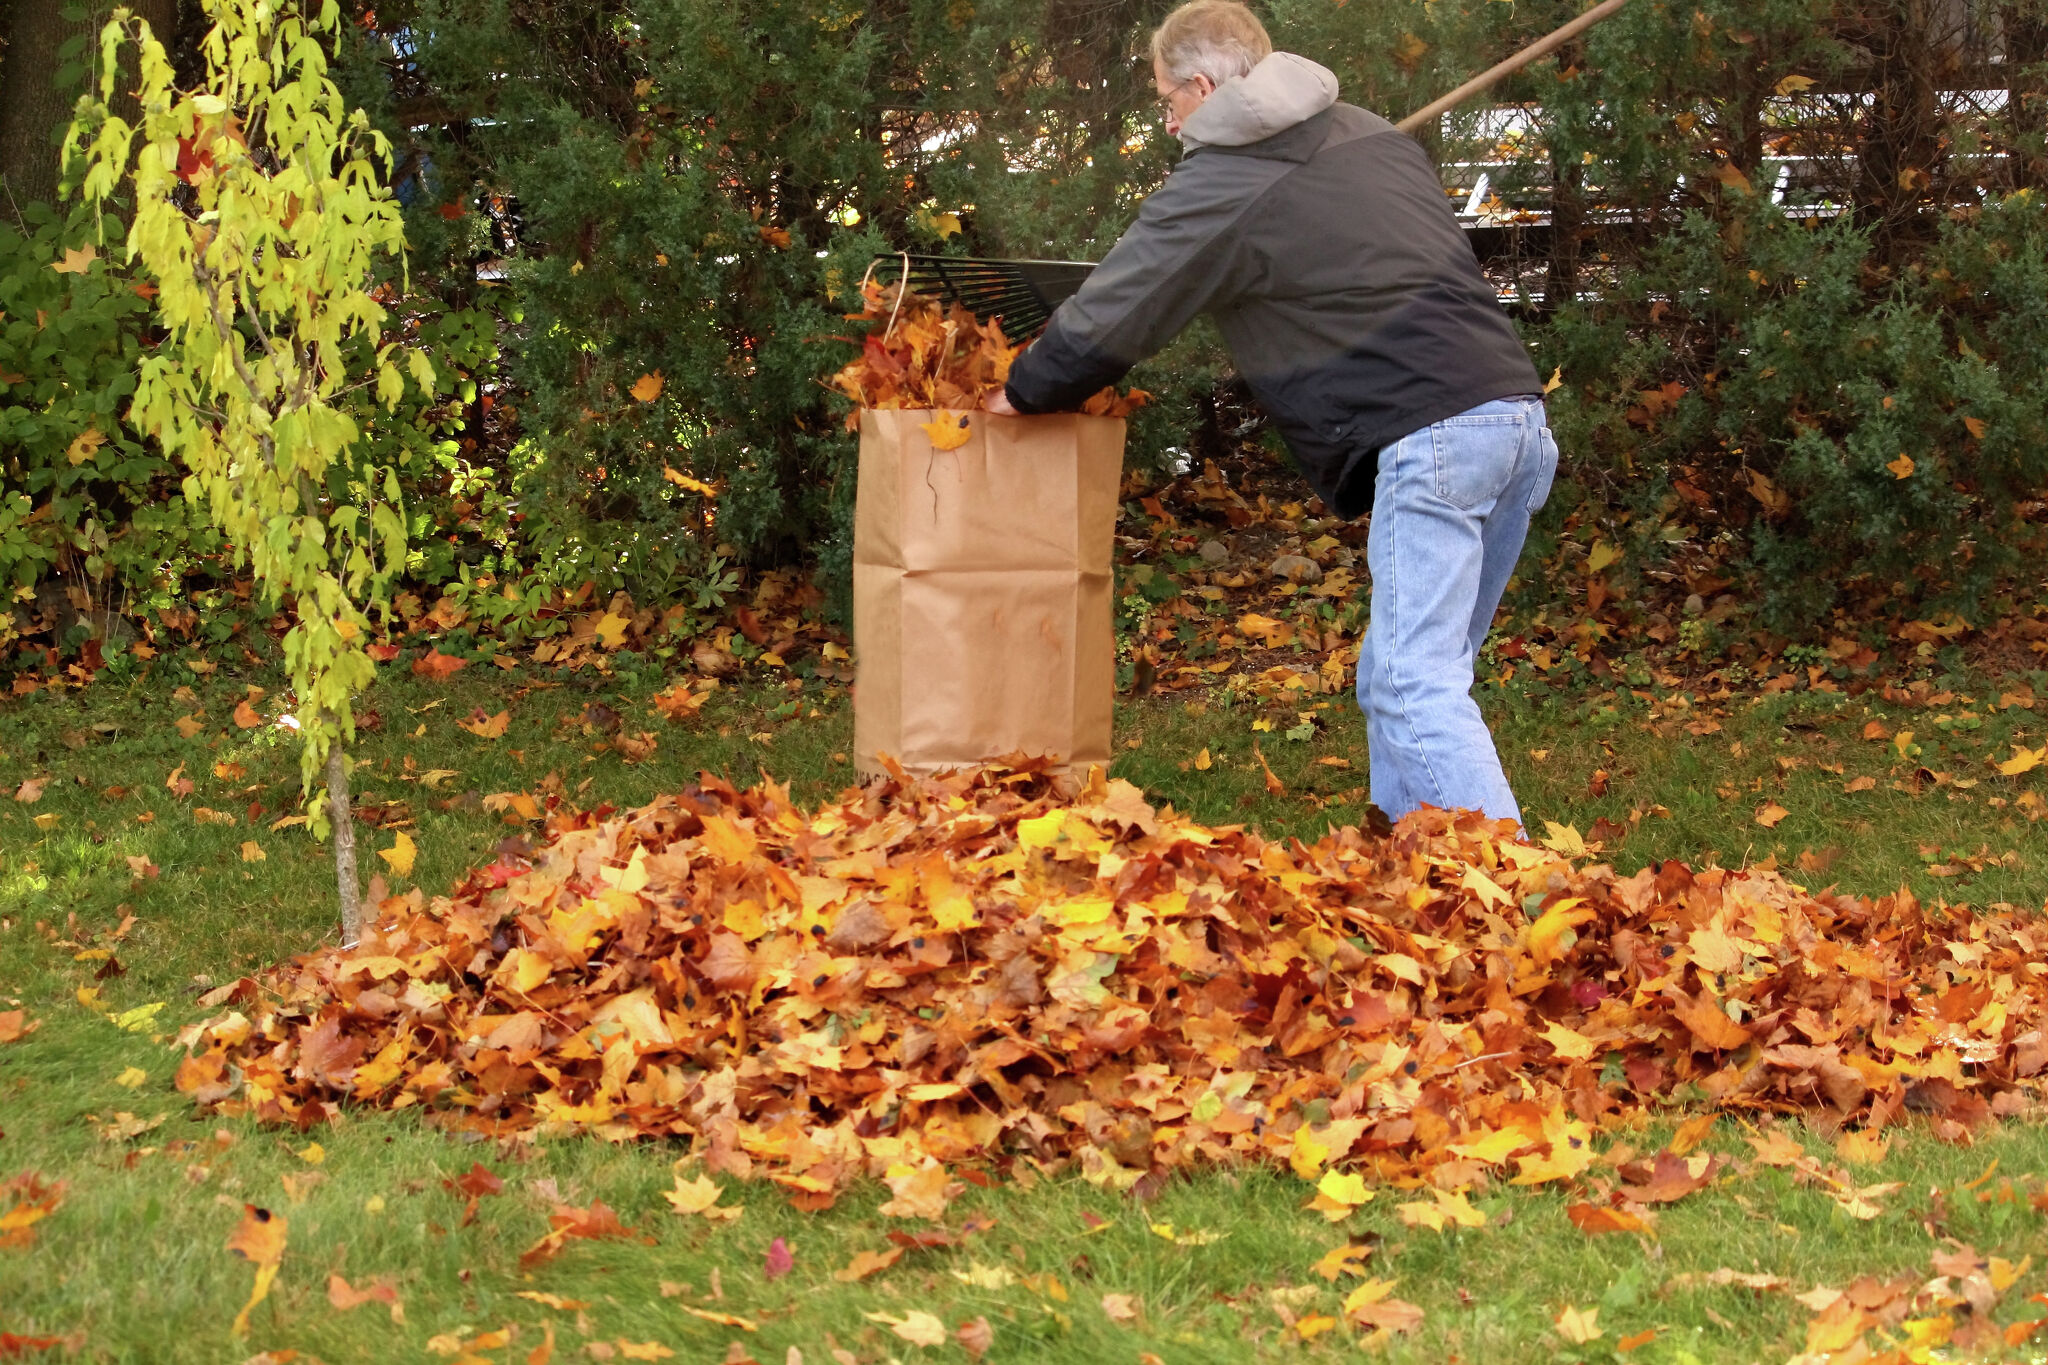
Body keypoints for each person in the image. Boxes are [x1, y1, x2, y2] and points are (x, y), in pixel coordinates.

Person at [985, 0, 1553, 828]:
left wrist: (1024, 390)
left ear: (1204, 86)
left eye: (1168, 102)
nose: (1171, 123)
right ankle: (1423, 883)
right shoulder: (1366, 134)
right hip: (1514, 423)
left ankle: (1527, 906)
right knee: (1413, 675)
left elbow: (1119, 306)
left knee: (1408, 683)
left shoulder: (1230, 177)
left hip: (1435, 439)